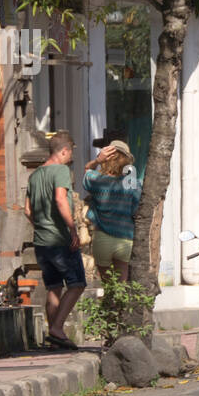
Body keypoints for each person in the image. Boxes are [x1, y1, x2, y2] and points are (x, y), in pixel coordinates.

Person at [26, 131, 85, 350]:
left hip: (41, 242)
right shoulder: (60, 170)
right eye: (70, 154)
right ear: (64, 151)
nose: (71, 159)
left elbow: (27, 210)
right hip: (60, 239)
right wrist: (72, 229)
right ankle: (57, 328)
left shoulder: (35, 175)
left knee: (53, 288)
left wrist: (40, 226)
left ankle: (55, 340)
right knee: (77, 284)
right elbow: (61, 200)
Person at [82, 140, 141, 283]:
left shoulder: (97, 181)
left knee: (108, 285)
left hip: (102, 240)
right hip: (125, 240)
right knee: (121, 286)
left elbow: (87, 170)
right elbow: (136, 210)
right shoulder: (132, 183)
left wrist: (97, 160)